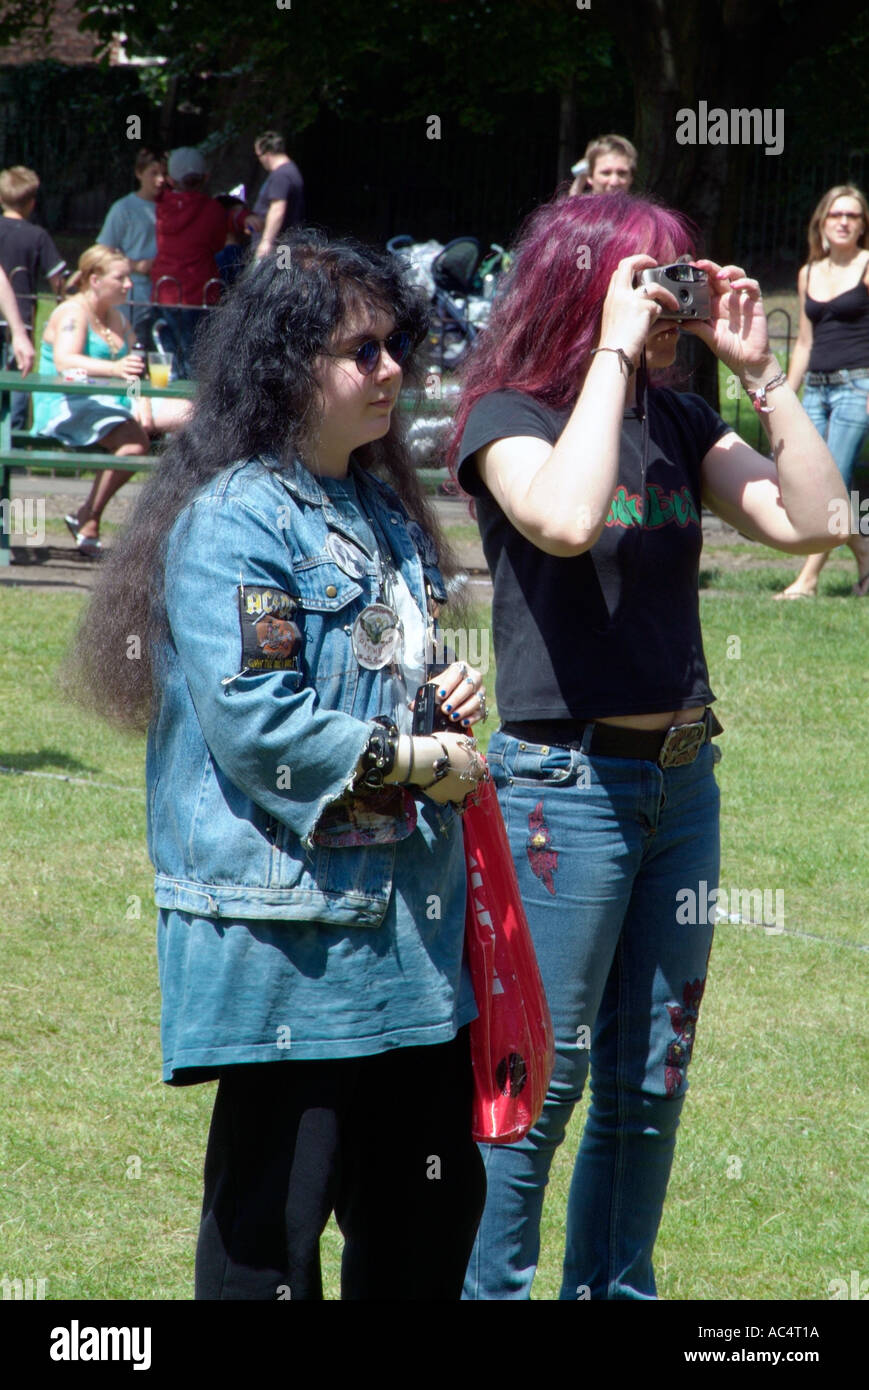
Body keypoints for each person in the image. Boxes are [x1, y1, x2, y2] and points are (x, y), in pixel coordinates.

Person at [69, 232, 489, 1299]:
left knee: (426, 1224)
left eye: (397, 345)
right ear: (288, 366)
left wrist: (438, 695)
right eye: (363, 351)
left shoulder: (381, 509)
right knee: (270, 1250)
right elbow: (261, 727)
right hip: (292, 956)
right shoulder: (233, 522)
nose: (392, 369)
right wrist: (414, 757)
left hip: (412, 951)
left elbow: (380, 672)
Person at [449, 191, 847, 1300]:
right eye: (651, 274)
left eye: (681, 272)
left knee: (650, 1077)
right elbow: (568, 522)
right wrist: (615, 356)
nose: (675, 293)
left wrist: (763, 378)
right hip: (560, 787)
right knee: (541, 1083)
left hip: (680, 785)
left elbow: (814, 521)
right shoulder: (505, 414)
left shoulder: (678, 417)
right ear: (584, 282)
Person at [33, 245, 190, 556]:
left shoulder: (115, 318)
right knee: (134, 443)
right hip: (69, 401)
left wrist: (142, 400)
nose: (129, 284)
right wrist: (115, 369)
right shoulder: (72, 312)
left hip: (113, 400)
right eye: (121, 278)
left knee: (192, 412)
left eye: (129, 277)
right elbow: (66, 361)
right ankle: (88, 516)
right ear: (94, 279)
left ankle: (183, 521)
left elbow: (134, 372)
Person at [775, 184, 869, 598]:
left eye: (853, 215)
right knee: (810, 479)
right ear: (823, 222)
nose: (844, 222)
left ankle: (807, 579)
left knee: (832, 481)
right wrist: (783, 398)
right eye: (837, 215)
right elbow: (805, 344)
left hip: (857, 387)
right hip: (814, 388)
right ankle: (865, 555)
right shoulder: (808, 272)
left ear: (863, 225)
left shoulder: (868, 266)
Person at [152, 148, 245, 377]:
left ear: (170, 179)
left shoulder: (159, 208)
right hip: (202, 295)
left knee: (168, 359)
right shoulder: (212, 210)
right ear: (205, 177)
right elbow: (218, 244)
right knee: (199, 360)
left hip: (166, 293)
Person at [0, 165, 66, 427]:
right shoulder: (37, 235)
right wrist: (62, 293)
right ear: (32, 203)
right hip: (22, 320)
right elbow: (57, 278)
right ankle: (12, 439)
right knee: (19, 382)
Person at [96, 148, 166, 348]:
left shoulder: (172, 207)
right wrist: (135, 265)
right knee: (134, 347)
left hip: (166, 290)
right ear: (139, 173)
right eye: (154, 173)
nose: (160, 180)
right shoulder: (124, 208)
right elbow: (104, 250)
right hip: (135, 293)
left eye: (164, 173)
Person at [251, 130, 305, 259]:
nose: (260, 160)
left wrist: (266, 241)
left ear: (267, 154)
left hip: (279, 247)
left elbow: (277, 209)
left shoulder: (281, 175)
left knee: (276, 278)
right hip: (284, 245)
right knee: (282, 276)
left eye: (258, 155)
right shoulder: (289, 170)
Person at [569, 134, 637, 197]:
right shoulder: (579, 210)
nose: (614, 182)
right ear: (590, 176)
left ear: (631, 177)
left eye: (622, 173)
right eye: (606, 173)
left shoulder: (642, 209)